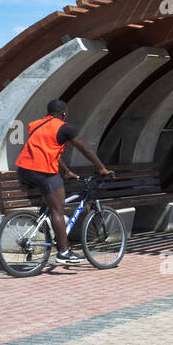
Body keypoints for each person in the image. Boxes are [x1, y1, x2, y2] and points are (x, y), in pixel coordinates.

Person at [15, 99, 113, 265]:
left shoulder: (36, 125)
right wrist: (102, 168)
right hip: (42, 171)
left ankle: (45, 219)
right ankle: (63, 252)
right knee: (58, 210)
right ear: (64, 113)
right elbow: (86, 150)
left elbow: (48, 150)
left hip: (24, 170)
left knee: (52, 200)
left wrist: (66, 172)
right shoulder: (65, 128)